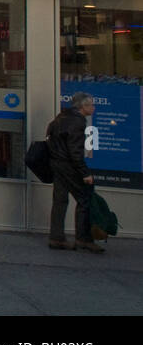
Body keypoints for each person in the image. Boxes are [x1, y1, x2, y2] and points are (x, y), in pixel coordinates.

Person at [48, 92, 102, 253]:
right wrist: (85, 173)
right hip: (69, 166)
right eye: (91, 104)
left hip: (56, 163)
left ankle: (56, 237)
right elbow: (75, 151)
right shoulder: (77, 122)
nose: (94, 107)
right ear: (83, 107)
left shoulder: (60, 118)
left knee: (60, 200)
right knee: (84, 199)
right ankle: (83, 238)